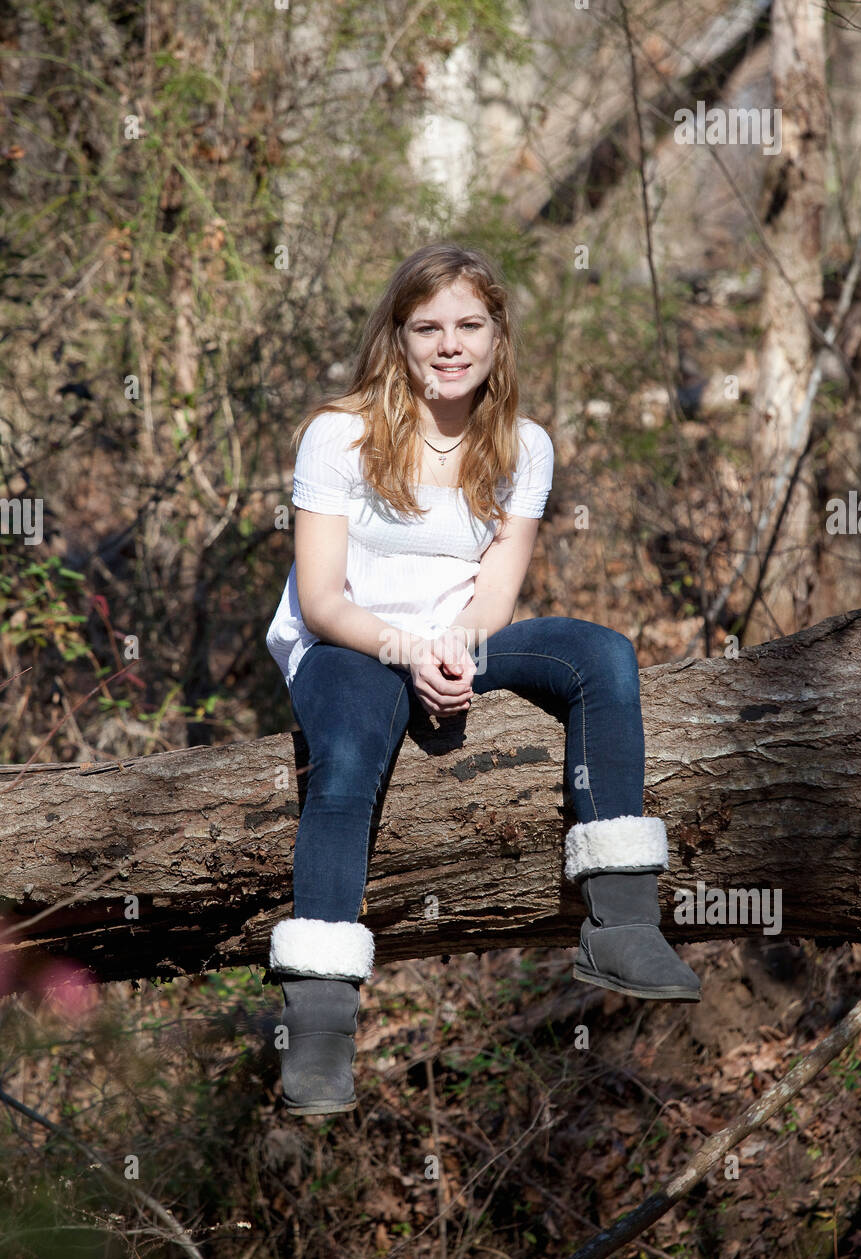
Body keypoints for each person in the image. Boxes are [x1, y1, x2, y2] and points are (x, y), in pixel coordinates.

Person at [265, 242, 701, 1116]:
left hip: (459, 640)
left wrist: (455, 647)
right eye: (428, 327)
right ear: (399, 336)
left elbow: (497, 593)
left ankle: (621, 923)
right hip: (353, 643)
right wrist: (408, 652)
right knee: (348, 750)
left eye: (469, 325)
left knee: (601, 653)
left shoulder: (523, 447)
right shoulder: (338, 434)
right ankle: (318, 1021)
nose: (450, 344)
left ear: (499, 336)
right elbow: (320, 600)